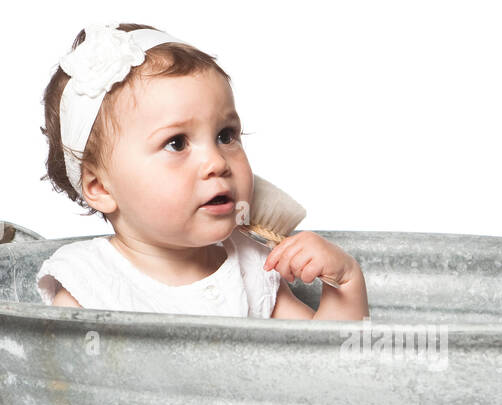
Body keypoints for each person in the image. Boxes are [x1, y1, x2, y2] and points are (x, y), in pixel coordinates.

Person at [37, 22, 368, 319]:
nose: (217, 162)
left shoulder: (254, 268)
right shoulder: (88, 285)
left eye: (225, 136)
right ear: (101, 188)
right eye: (177, 143)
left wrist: (345, 285)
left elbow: (325, 372)